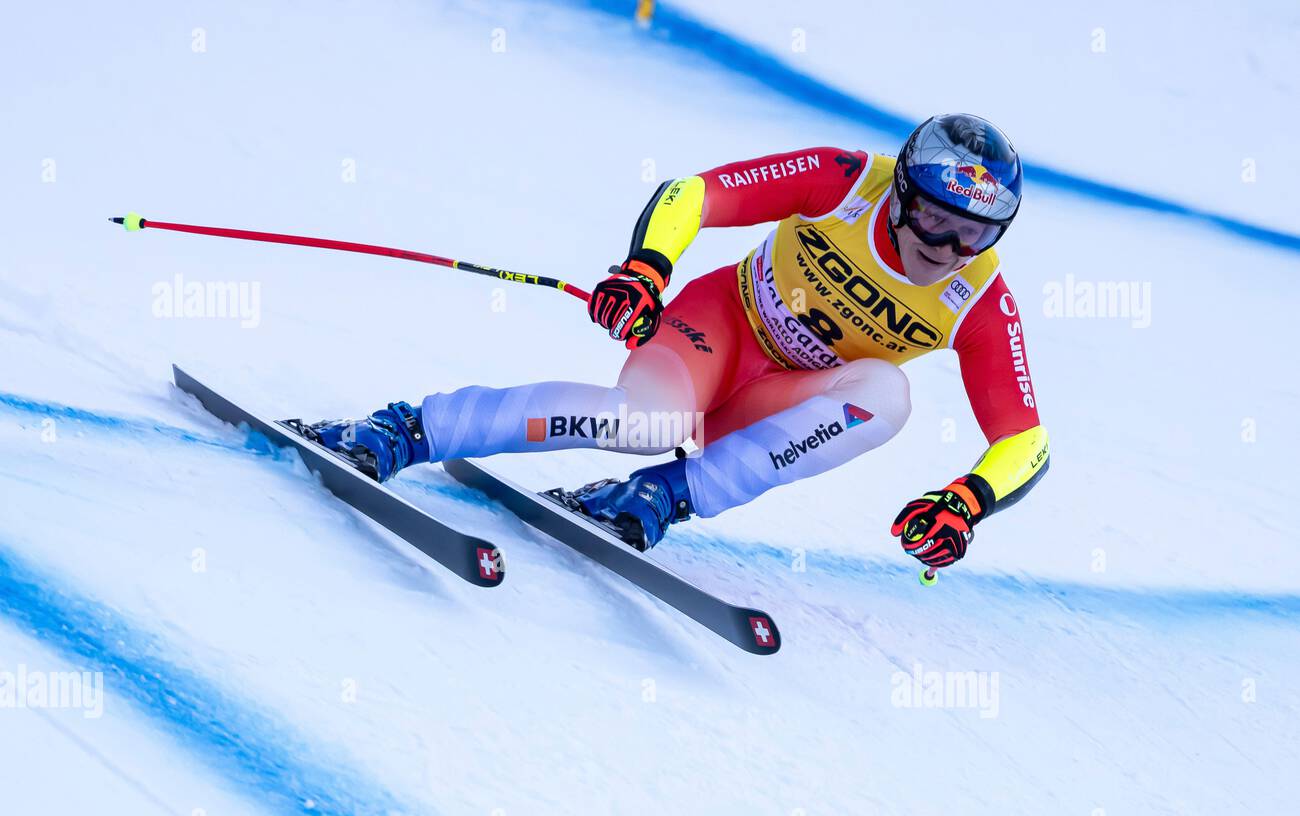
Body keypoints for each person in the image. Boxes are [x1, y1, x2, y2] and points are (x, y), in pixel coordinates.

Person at [303, 113, 1049, 570]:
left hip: (775, 400)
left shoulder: (977, 296)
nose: (949, 247)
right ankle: (409, 428)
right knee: (641, 423)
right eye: (937, 220)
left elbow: (1027, 439)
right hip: (719, 327)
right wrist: (645, 270)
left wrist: (968, 499)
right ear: (903, 194)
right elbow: (694, 193)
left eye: (976, 233)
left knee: (888, 394)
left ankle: (662, 494)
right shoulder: (848, 180)